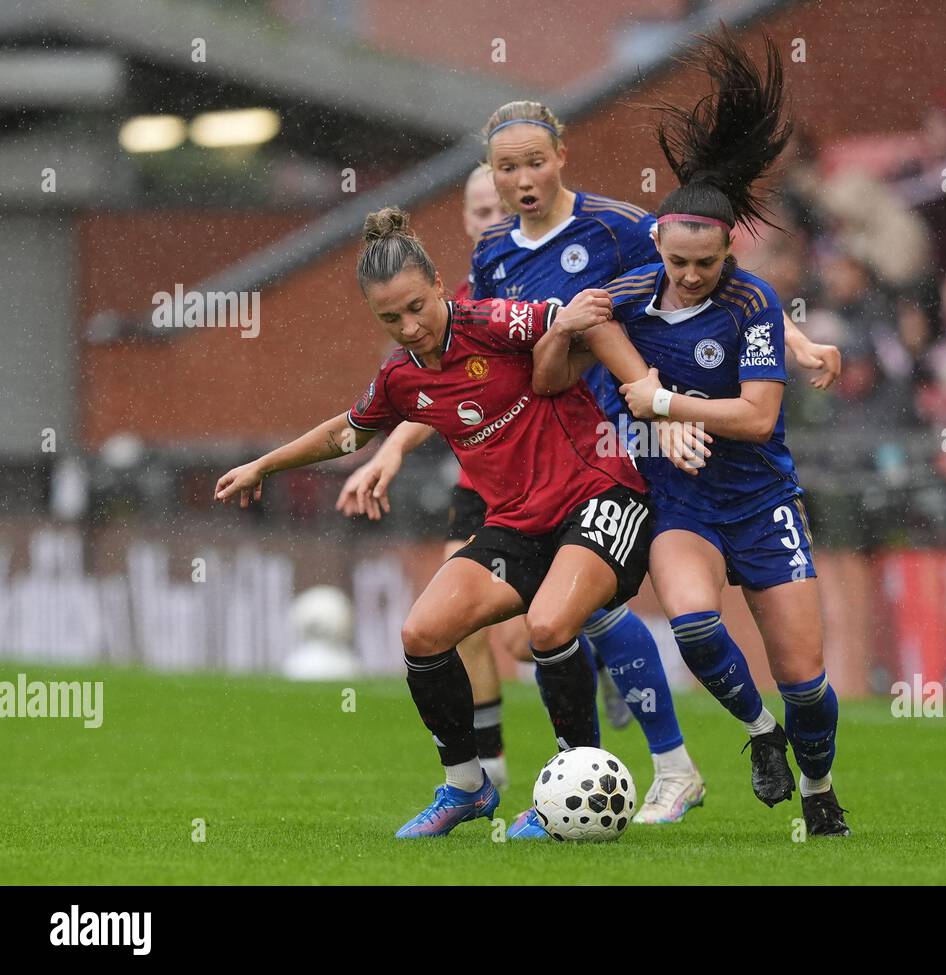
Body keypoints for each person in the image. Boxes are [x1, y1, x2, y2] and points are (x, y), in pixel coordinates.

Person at [216, 207, 652, 838]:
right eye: (389, 318)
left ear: (441, 286)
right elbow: (346, 432)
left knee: (550, 624)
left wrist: (652, 395)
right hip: (518, 526)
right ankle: (467, 787)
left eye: (417, 307)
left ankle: (577, 777)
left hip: (600, 495)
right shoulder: (400, 377)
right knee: (422, 632)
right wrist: (264, 464)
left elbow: (588, 320)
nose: (409, 326)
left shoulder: (497, 322)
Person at [532, 29, 850, 836]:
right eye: (677, 261)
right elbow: (589, 337)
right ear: (660, 245)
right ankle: (757, 735)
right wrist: (590, 346)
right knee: (696, 622)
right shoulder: (633, 289)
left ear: (726, 254)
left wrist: (664, 403)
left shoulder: (753, 307)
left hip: (761, 498)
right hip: (682, 505)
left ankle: (818, 789)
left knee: (805, 678)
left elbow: (756, 417)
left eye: (703, 264)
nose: (688, 276)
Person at [337, 163, 522, 792]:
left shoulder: (515, 302)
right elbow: (430, 396)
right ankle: (488, 766)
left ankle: (600, 668)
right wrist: (390, 451)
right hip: (481, 483)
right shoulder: (446, 301)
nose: (491, 220)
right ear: (465, 222)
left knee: (532, 639)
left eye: (501, 209)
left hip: (548, 480)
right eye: (479, 212)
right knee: (456, 613)